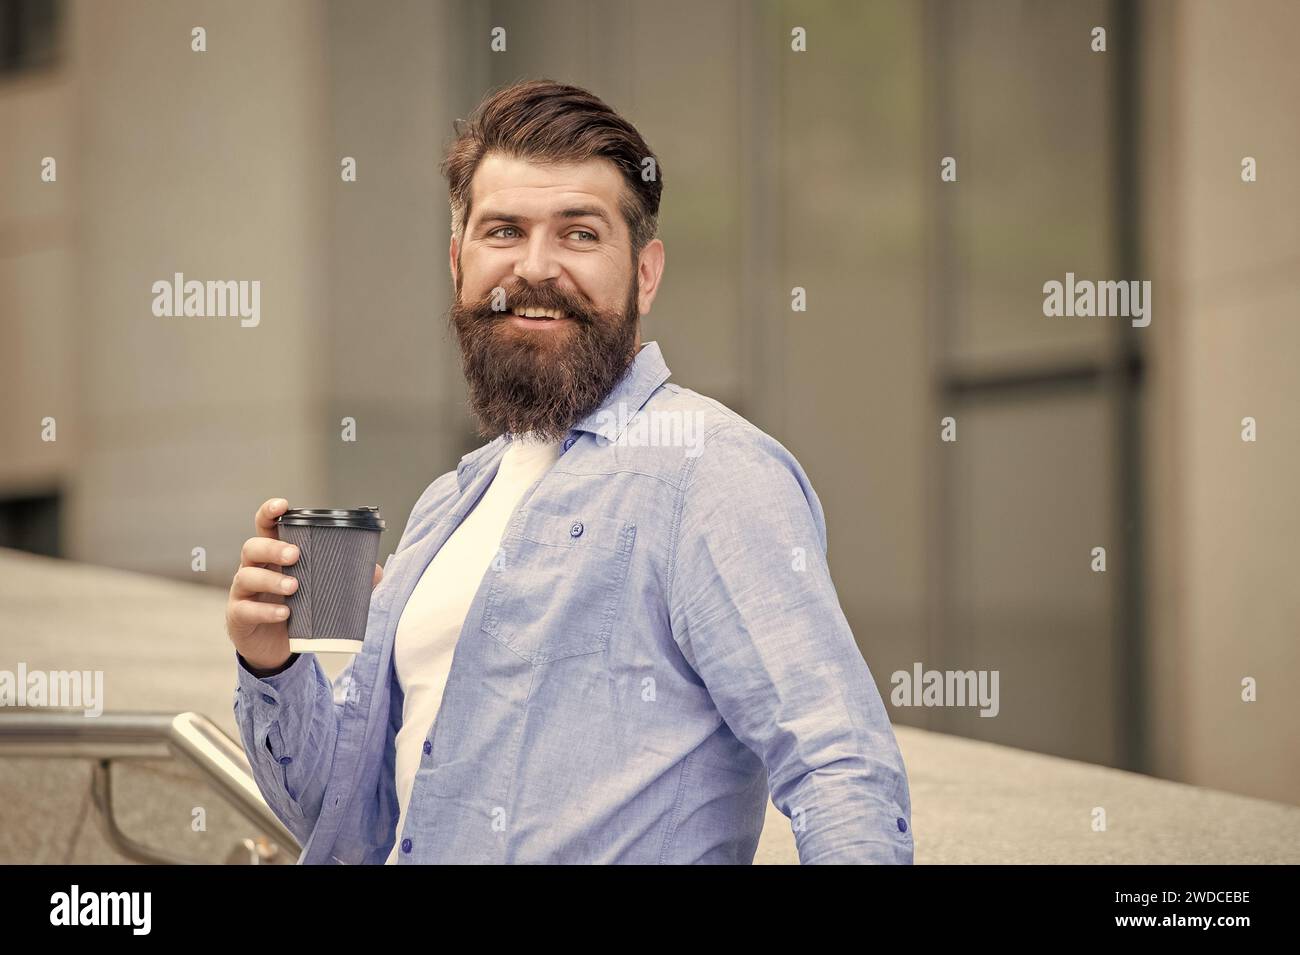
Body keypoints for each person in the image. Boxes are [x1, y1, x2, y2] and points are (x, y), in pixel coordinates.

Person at [225, 79, 912, 864]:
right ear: (458, 261)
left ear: (645, 273)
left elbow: (840, 767)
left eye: (579, 233)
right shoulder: (449, 503)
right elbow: (345, 816)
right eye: (504, 230)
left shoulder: (710, 471)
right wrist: (271, 662)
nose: (536, 266)